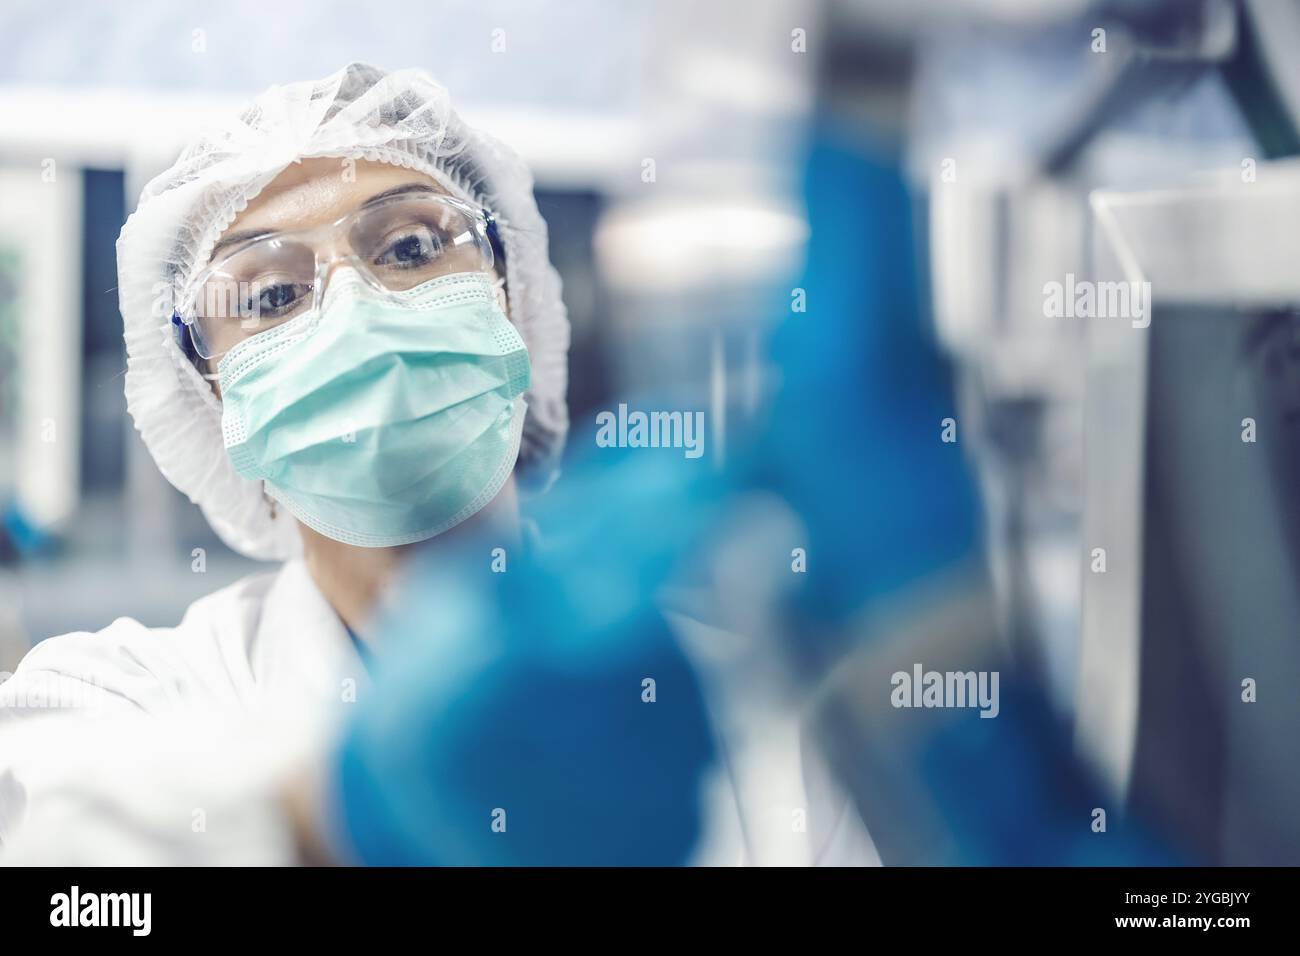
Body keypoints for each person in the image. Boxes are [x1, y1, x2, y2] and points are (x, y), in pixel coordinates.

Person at [0, 63, 875, 865]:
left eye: (412, 247)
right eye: (271, 294)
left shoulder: (755, 693)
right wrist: (338, 813)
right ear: (210, 394)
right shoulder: (120, 701)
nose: (352, 307)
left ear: (512, 294)